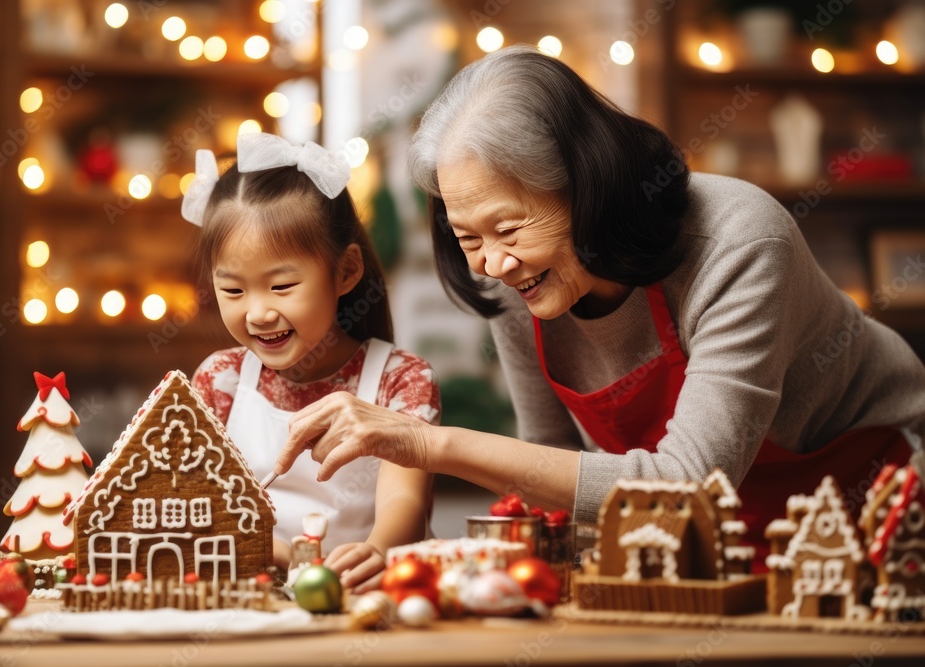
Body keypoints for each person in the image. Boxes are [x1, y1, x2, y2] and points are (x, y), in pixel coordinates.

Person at [276, 45, 925, 563]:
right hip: (701, 539)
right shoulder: (513, 281)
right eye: (467, 236)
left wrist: (427, 443)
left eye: (509, 228)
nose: (492, 264)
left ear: (590, 185)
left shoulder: (739, 242)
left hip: (878, 500)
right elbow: (550, 473)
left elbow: (690, 485)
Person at [183, 132, 440, 592]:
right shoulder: (218, 380)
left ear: (345, 272)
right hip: (251, 600)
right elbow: (198, 503)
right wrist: (280, 553)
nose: (258, 312)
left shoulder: (401, 379)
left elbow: (406, 501)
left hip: (367, 597)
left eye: (282, 286)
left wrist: (378, 551)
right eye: (234, 290)